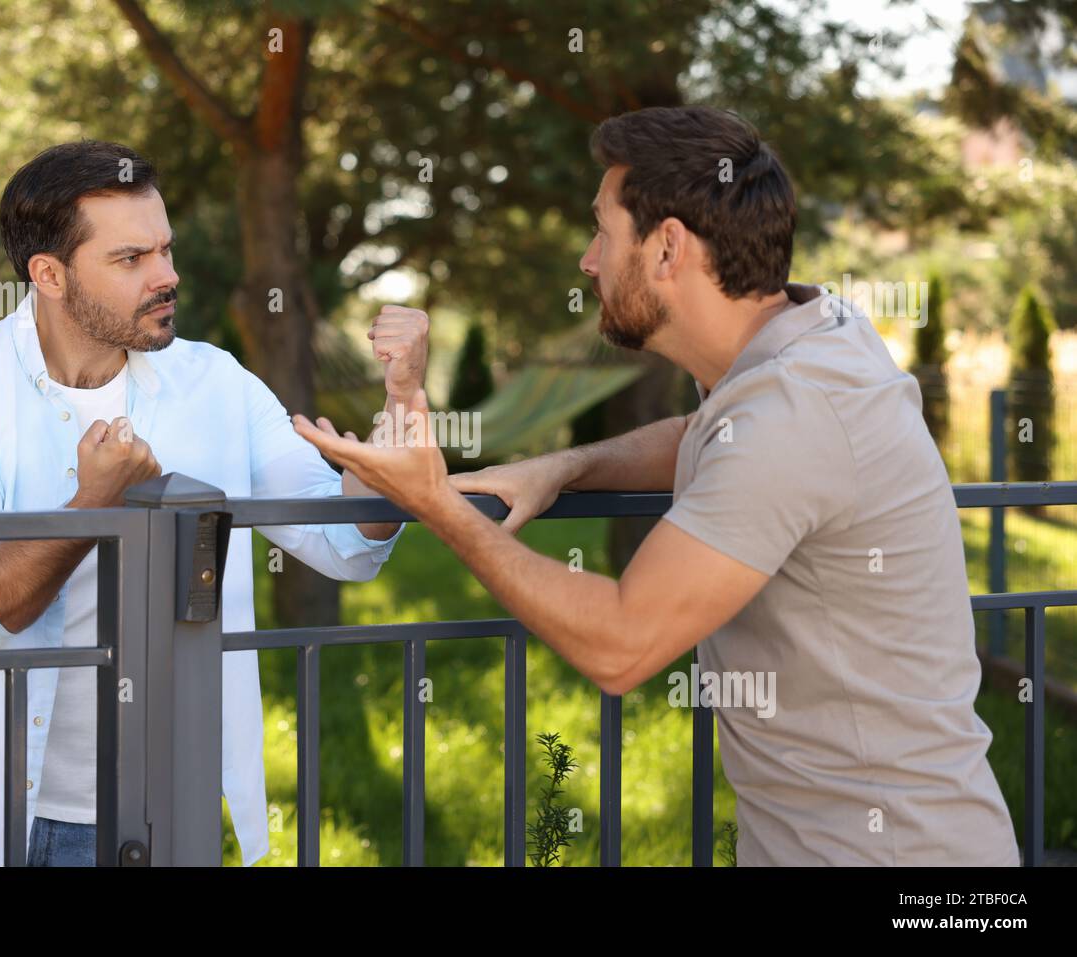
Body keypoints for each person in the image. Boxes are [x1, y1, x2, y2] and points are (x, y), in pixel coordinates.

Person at [293, 106, 1020, 866]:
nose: (587, 260)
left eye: (602, 231)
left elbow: (622, 643)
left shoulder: (796, 409)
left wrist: (436, 503)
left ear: (668, 246)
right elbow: (706, 439)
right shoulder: (810, 336)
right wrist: (562, 466)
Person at [0, 140, 423, 866]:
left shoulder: (219, 385)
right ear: (48, 274)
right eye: (130, 259)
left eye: (165, 250)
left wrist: (401, 403)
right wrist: (94, 505)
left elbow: (348, 543)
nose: (167, 276)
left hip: (139, 821)